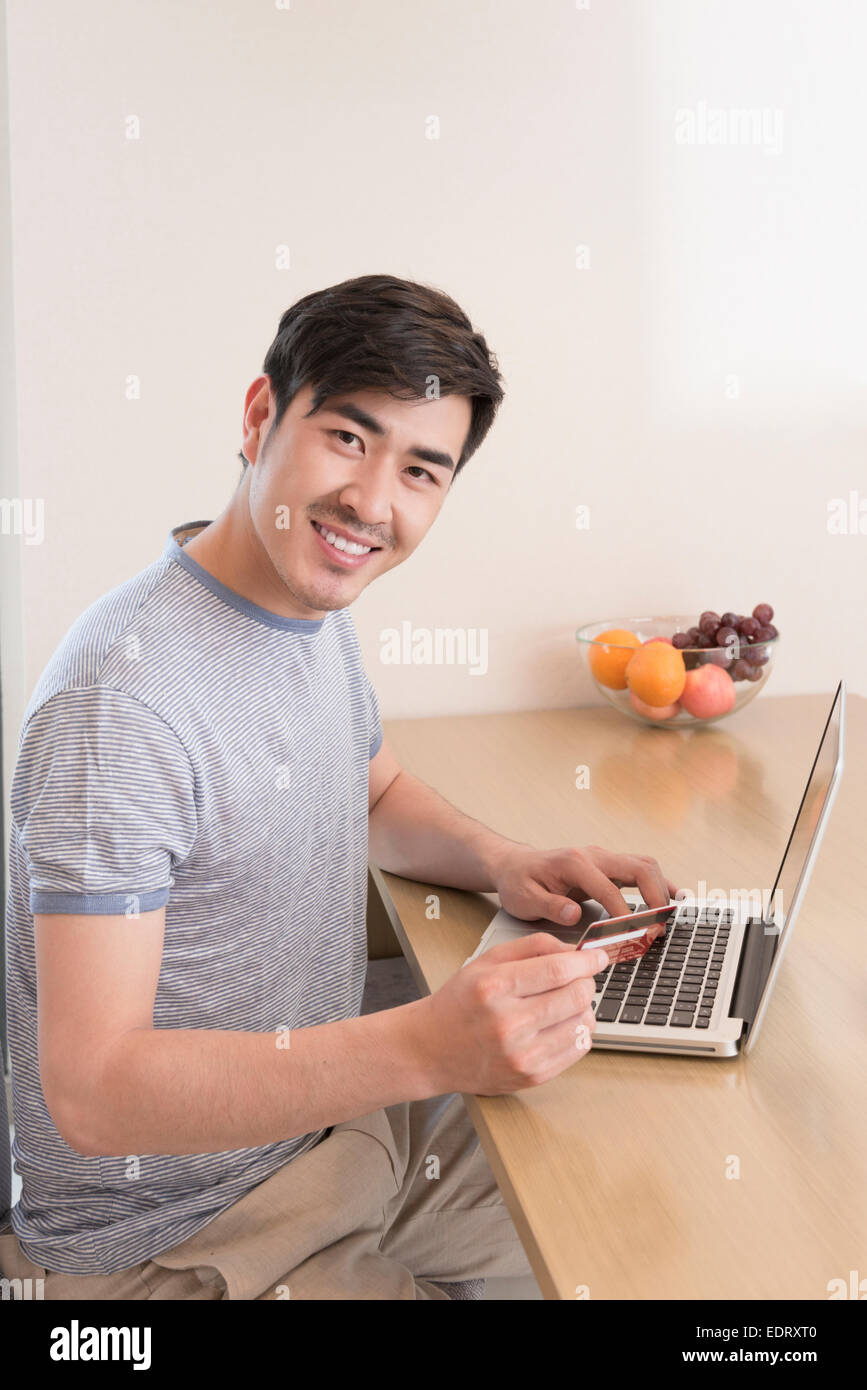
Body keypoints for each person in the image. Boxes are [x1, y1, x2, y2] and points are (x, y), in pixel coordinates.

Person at [0, 273, 678, 1300]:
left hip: (337, 1144)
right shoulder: (122, 703)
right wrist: (425, 1045)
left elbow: (368, 791)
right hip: (173, 1241)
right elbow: (94, 1092)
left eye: (421, 469)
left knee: (647, 1225)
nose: (372, 503)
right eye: (349, 439)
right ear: (261, 415)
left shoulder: (308, 607)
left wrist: (505, 863)